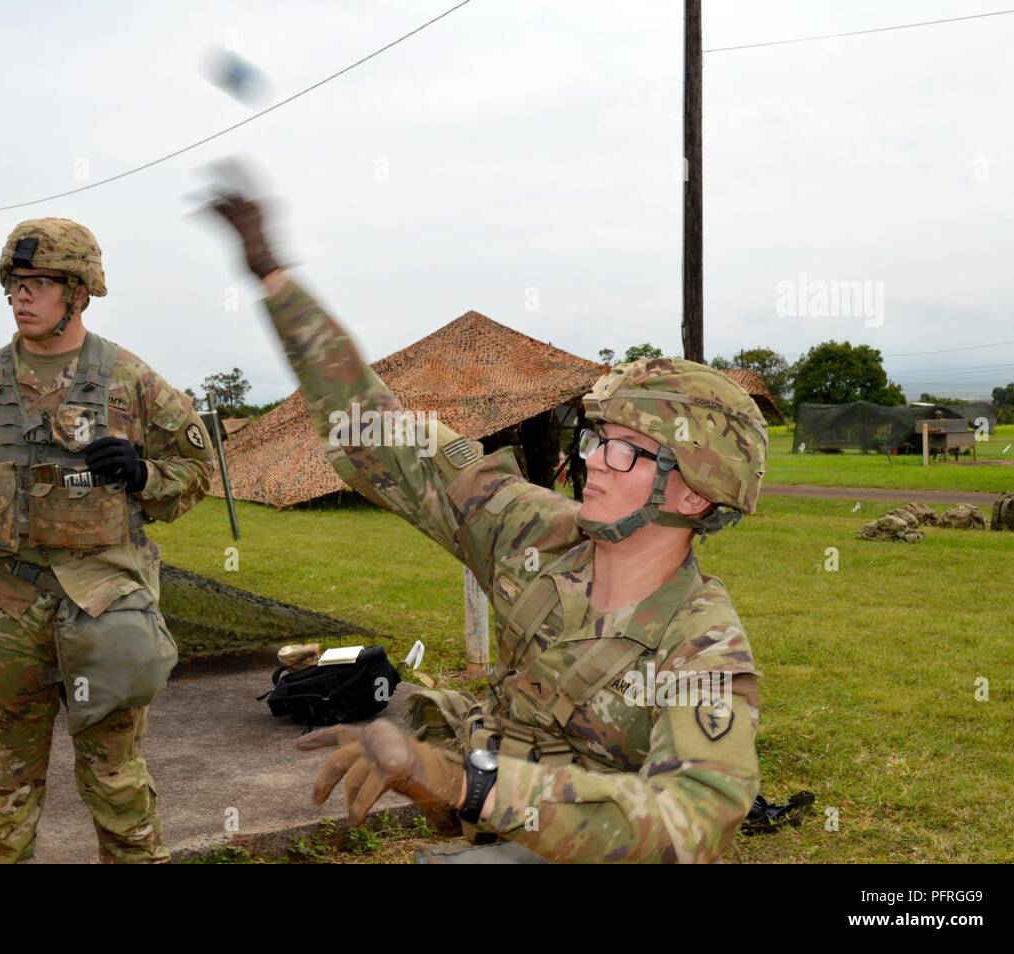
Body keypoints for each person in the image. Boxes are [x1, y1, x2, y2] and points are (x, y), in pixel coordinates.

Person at [201, 184, 767, 864]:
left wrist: (468, 783)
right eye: (596, 441)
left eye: (626, 450)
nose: (596, 464)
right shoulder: (532, 532)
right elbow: (375, 432)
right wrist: (276, 278)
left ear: (694, 496)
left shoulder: (702, 644)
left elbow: (693, 823)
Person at [0, 218, 214, 863]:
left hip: (102, 604)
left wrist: (141, 474)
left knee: (115, 779)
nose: (23, 296)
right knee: (6, 783)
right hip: (7, 605)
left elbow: (196, 473)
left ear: (78, 292)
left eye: (41, 283)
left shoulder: (129, 380)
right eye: (16, 284)